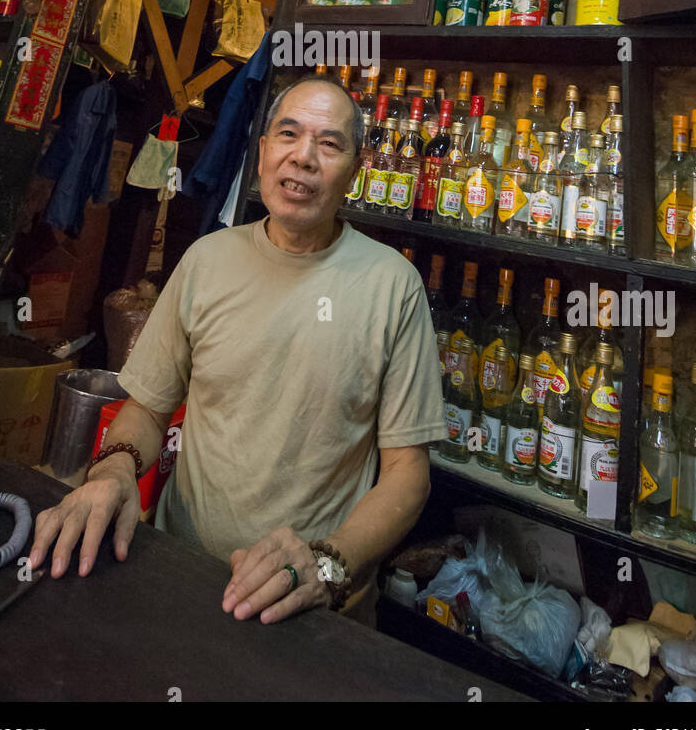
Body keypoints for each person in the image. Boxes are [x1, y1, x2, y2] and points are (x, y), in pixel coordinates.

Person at [29, 76, 444, 627]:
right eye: (288, 134)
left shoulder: (394, 285)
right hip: (180, 572)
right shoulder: (207, 260)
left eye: (329, 143)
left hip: (312, 606)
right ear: (264, 148)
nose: (303, 157)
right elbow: (147, 410)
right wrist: (111, 474)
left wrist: (327, 565)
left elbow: (407, 473)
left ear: (357, 167)